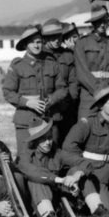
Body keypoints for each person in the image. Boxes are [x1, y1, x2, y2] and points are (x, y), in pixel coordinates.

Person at [62, 82, 109, 217]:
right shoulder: (87, 123)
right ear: (100, 106)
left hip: (106, 170)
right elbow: (68, 148)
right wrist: (82, 164)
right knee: (105, 210)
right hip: (88, 170)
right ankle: (79, 202)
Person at [2, 25, 67, 158]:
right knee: (25, 158)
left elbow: (62, 89)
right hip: (26, 121)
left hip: (49, 119)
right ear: (25, 44)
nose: (36, 45)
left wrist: (51, 100)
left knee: (52, 158)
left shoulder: (51, 64)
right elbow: (8, 91)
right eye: (32, 42)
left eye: (38, 42)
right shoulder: (17, 66)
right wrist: (27, 103)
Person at [18, 117, 86, 217]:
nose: (47, 142)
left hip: (55, 197)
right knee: (37, 180)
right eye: (43, 139)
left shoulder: (56, 152)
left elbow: (83, 163)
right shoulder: (25, 155)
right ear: (34, 141)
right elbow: (34, 173)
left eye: (49, 137)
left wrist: (74, 177)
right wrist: (60, 180)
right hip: (35, 201)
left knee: (74, 169)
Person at [74, 4, 109, 119]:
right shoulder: (82, 43)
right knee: (86, 131)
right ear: (92, 23)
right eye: (98, 21)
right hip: (90, 97)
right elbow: (82, 73)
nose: (102, 24)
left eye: (105, 21)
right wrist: (100, 90)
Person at [41, 18, 78, 146]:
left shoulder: (68, 55)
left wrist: (67, 102)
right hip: (49, 110)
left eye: (59, 36)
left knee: (68, 144)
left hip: (68, 108)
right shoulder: (40, 57)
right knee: (51, 145)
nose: (57, 40)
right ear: (45, 38)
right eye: (52, 37)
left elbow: (73, 82)